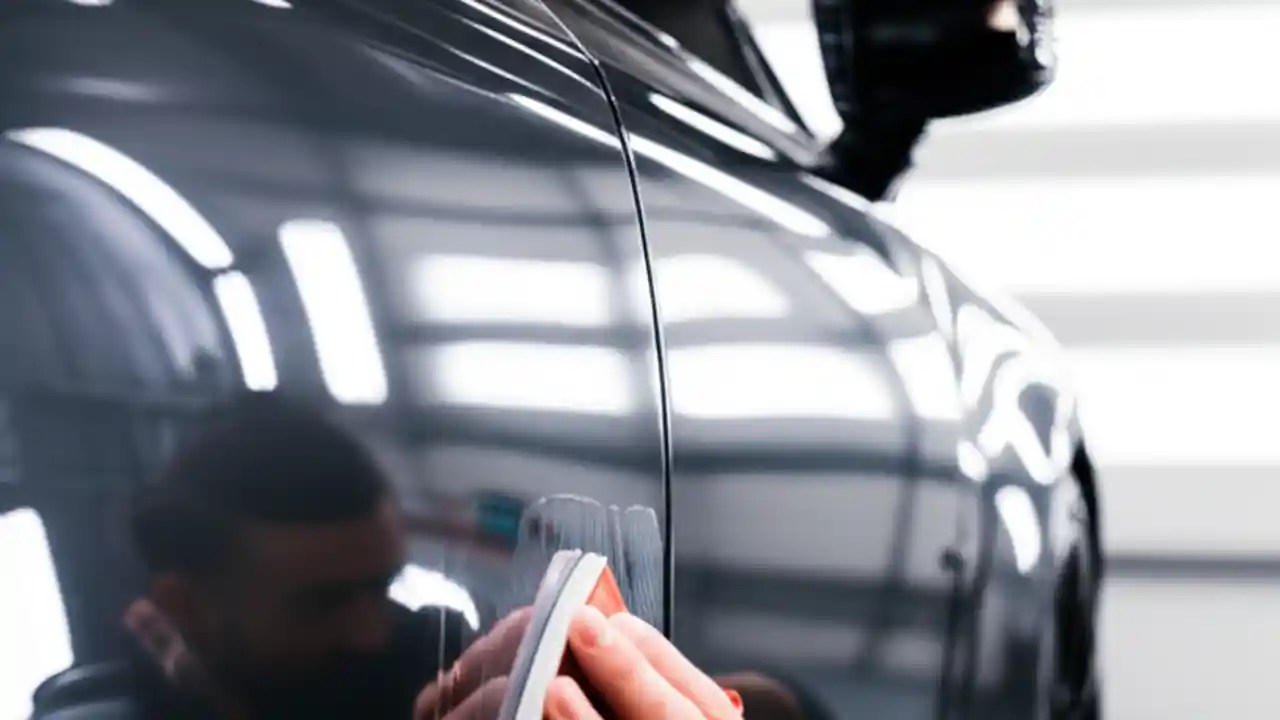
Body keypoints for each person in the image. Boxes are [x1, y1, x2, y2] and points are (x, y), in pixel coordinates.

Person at [125, 394, 752, 720]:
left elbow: (787, 703)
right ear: (188, 605)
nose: (373, 630)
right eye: (324, 603)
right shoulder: (108, 709)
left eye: (382, 584)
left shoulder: (421, 653)